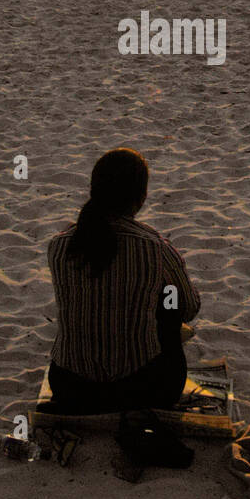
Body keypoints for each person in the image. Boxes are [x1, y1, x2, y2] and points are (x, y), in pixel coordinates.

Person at [47, 148, 199, 412]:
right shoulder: (156, 249)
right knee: (170, 302)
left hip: (70, 387)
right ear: (141, 197)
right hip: (143, 389)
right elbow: (189, 307)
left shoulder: (59, 246)